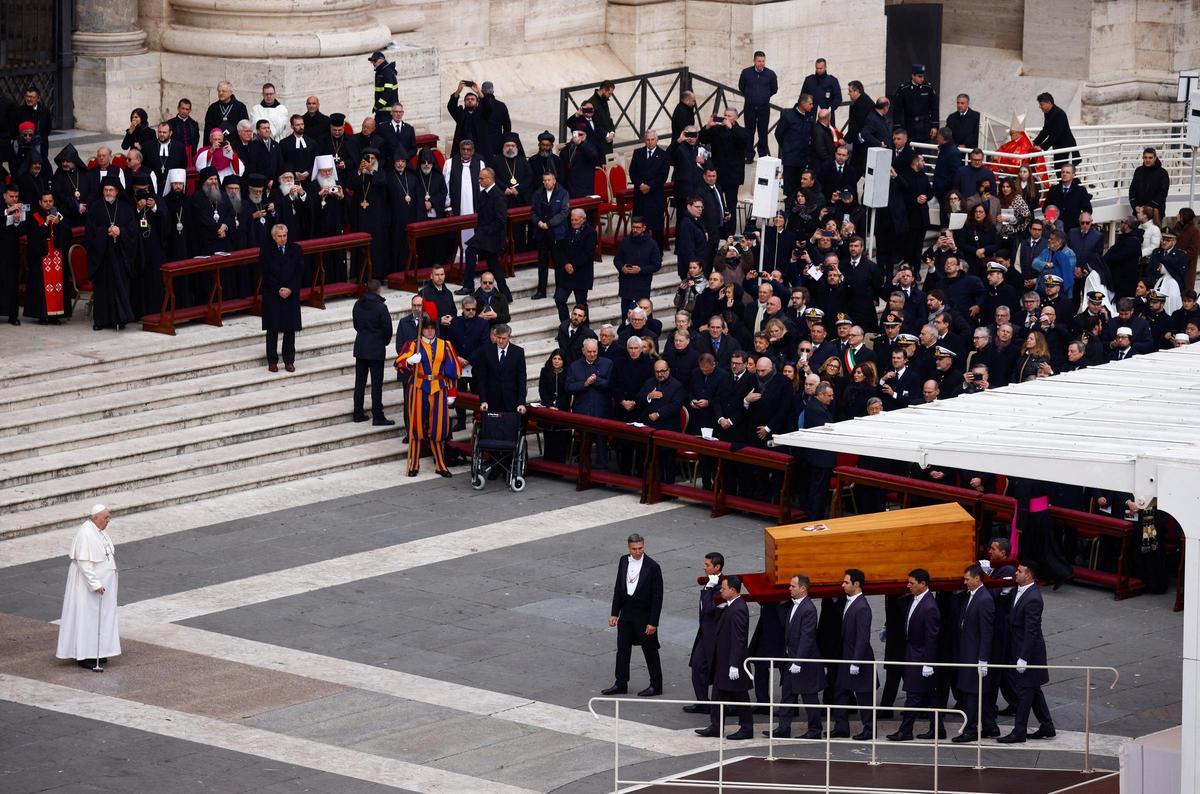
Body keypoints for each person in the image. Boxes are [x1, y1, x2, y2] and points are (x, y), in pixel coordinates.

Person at [56, 505, 121, 671]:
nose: (109, 520)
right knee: (88, 618)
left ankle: (98, 651)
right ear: (95, 518)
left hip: (102, 586)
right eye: (106, 517)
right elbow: (84, 563)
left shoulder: (98, 530)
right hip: (88, 587)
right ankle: (85, 655)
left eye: (109, 517)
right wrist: (95, 584)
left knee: (100, 618)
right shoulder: (86, 533)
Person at [998, 562, 1055, 743]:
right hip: (1019, 649)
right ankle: (1047, 725)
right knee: (1033, 689)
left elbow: (1031, 631)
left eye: (1020, 571)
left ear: (1029, 575)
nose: (1016, 573)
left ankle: (1019, 731)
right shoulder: (1018, 590)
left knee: (1024, 692)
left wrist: (1023, 658)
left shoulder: (1033, 598)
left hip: (1029, 654)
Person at [397, 316, 459, 477]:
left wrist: (452, 393)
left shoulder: (445, 345)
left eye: (432, 328)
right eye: (426, 328)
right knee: (416, 426)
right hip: (418, 387)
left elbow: (453, 370)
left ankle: (440, 464)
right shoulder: (413, 344)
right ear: (422, 329)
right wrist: (409, 361)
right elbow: (399, 362)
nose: (429, 331)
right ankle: (414, 464)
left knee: (438, 428)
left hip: (438, 388)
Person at [604, 533, 664, 697]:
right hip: (627, 614)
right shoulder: (623, 560)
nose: (638, 552)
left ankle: (656, 685)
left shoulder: (653, 567)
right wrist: (614, 612)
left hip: (644, 616)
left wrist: (653, 622)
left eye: (640, 548)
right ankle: (620, 682)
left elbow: (658, 597)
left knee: (650, 650)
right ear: (628, 548)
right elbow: (618, 586)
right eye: (634, 549)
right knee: (622, 650)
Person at [766, 573, 825, 739]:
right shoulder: (795, 605)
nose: (789, 588)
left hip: (804, 663)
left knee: (810, 698)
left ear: (803, 588)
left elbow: (807, 637)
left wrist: (798, 661)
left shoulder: (808, 609)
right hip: (791, 659)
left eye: (792, 586)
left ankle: (815, 731)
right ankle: (783, 729)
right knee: (787, 696)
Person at [695, 575, 754, 739]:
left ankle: (746, 728)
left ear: (733, 591)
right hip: (724, 661)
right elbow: (706, 609)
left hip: (732, 662)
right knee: (717, 695)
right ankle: (716, 726)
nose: (721, 590)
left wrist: (734, 664)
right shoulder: (730, 605)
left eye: (724, 588)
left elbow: (739, 639)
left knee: (740, 695)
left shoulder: (739, 609)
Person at [887, 569, 943, 741]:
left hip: (920, 657)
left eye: (911, 583)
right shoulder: (915, 600)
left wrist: (928, 663)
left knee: (913, 694)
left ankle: (906, 730)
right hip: (913, 653)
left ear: (923, 584)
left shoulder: (929, 607)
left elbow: (931, 638)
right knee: (929, 695)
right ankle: (938, 729)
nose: (908, 585)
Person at [85, 177, 137, 331]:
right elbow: (90, 231)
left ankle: (120, 319)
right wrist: (105, 232)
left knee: (120, 287)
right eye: (105, 190)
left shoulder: (126, 208)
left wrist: (120, 231)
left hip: (120, 255)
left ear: (117, 191)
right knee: (103, 289)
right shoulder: (95, 208)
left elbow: (133, 231)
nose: (108, 192)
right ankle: (100, 321)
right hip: (103, 256)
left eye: (111, 190)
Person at [953, 564, 997, 743]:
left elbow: (987, 632)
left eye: (967, 579)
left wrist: (983, 659)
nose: (965, 582)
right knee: (979, 694)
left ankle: (971, 730)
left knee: (972, 693)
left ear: (977, 578)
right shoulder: (973, 596)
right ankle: (990, 726)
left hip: (975, 655)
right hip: (968, 652)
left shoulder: (984, 599)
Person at [833, 568, 874, 740]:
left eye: (846, 582)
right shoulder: (851, 602)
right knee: (840, 693)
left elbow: (862, 638)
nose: (843, 585)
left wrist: (856, 662)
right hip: (847, 657)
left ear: (856, 584)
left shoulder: (862, 607)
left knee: (863, 695)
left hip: (859, 659)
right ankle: (841, 727)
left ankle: (869, 729)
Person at [462, 167, 511, 298]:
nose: (479, 181)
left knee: (478, 255)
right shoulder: (483, 194)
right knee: (491, 263)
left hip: (492, 237)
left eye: (481, 178)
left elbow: (500, 220)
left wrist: (484, 232)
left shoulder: (498, 195)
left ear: (490, 179)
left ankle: (468, 286)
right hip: (484, 235)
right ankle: (505, 294)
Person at [351, 279, 395, 426]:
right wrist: (383, 341)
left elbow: (356, 325)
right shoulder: (381, 307)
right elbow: (387, 329)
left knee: (360, 382)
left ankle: (357, 413)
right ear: (378, 290)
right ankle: (378, 416)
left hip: (361, 347)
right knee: (376, 384)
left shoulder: (357, 304)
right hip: (376, 348)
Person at [685, 553, 725, 713]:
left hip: (716, 636)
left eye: (708, 565)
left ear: (717, 567)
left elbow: (708, 609)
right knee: (697, 664)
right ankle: (702, 701)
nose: (704, 567)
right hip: (704, 632)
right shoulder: (711, 581)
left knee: (717, 670)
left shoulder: (722, 586)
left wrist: (708, 588)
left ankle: (723, 704)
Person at [261, 223, 303, 372]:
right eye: (279, 236)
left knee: (289, 328)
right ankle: (272, 361)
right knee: (273, 328)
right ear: (274, 237)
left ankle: (289, 360)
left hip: (290, 294)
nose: (283, 239)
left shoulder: (296, 249)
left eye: (284, 235)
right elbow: (266, 274)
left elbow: (299, 272)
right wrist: (279, 289)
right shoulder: (266, 251)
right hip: (273, 294)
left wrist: (290, 288)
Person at [530, 170, 570, 300]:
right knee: (542, 263)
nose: (547, 182)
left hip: (556, 233)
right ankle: (541, 290)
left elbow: (564, 212)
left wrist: (550, 223)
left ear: (554, 180)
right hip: (541, 233)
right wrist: (539, 222)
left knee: (558, 263)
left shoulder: (563, 193)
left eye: (549, 180)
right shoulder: (537, 194)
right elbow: (533, 212)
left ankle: (560, 289)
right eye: (545, 180)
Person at [473, 323, 528, 414]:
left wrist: (521, 402)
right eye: (498, 338)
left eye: (504, 338)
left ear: (509, 337)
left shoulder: (518, 352)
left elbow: (521, 378)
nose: (501, 341)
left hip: (511, 400)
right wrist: (483, 400)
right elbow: (482, 378)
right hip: (492, 401)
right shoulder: (486, 351)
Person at [557, 209, 597, 323]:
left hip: (581, 274)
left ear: (583, 219)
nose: (573, 222)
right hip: (567, 273)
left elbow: (588, 253)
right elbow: (560, 249)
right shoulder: (567, 230)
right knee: (559, 299)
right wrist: (566, 264)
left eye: (576, 220)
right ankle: (565, 326)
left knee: (581, 304)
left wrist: (573, 265)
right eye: (572, 220)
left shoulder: (590, 232)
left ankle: (584, 329)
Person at [629, 130, 668, 245]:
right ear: (644, 140)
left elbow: (663, 176)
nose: (650, 142)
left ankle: (657, 252)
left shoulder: (663, 155)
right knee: (639, 224)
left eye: (652, 140)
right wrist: (640, 185)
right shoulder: (638, 153)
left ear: (657, 140)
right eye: (648, 140)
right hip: (640, 195)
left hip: (655, 196)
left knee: (656, 226)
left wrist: (650, 186)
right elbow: (633, 172)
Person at [614, 217, 662, 308]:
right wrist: (621, 267)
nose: (635, 230)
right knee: (626, 314)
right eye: (633, 227)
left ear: (644, 228)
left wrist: (641, 270)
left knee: (643, 314)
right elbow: (617, 259)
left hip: (642, 285)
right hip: (626, 284)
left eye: (638, 227)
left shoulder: (652, 244)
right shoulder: (625, 241)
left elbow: (656, 265)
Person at [739, 51, 778, 160]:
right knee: (749, 131)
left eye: (763, 61)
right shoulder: (746, 72)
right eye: (759, 61)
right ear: (754, 61)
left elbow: (774, 89)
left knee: (763, 132)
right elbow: (741, 86)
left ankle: (762, 156)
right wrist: (750, 95)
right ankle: (749, 155)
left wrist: (764, 96)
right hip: (749, 107)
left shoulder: (770, 74)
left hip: (764, 108)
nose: (761, 63)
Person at [776, 94, 815, 199]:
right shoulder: (788, 116)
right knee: (790, 189)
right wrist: (787, 147)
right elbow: (778, 134)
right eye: (810, 104)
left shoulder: (809, 117)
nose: (812, 106)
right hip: (791, 159)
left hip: (803, 158)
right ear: (802, 103)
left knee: (801, 189)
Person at [892, 64, 938, 142]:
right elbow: (897, 110)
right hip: (909, 126)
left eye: (923, 76)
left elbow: (934, 108)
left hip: (924, 127)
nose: (922, 79)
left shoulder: (928, 88)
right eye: (919, 76)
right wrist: (897, 127)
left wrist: (934, 126)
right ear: (913, 75)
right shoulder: (904, 89)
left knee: (924, 151)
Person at [1032, 92, 1078, 167]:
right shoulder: (1047, 112)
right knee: (1058, 167)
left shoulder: (1059, 114)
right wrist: (1035, 142)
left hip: (1065, 145)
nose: (1040, 107)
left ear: (1049, 103)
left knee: (1061, 168)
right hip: (1057, 144)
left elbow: (1056, 134)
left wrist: (1042, 146)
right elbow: (1045, 130)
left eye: (1041, 104)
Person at [369, 51, 399, 122]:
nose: (373, 63)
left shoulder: (387, 72)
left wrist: (377, 106)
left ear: (381, 60)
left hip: (387, 112)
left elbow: (387, 92)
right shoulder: (381, 71)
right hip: (382, 111)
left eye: (375, 61)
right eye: (372, 61)